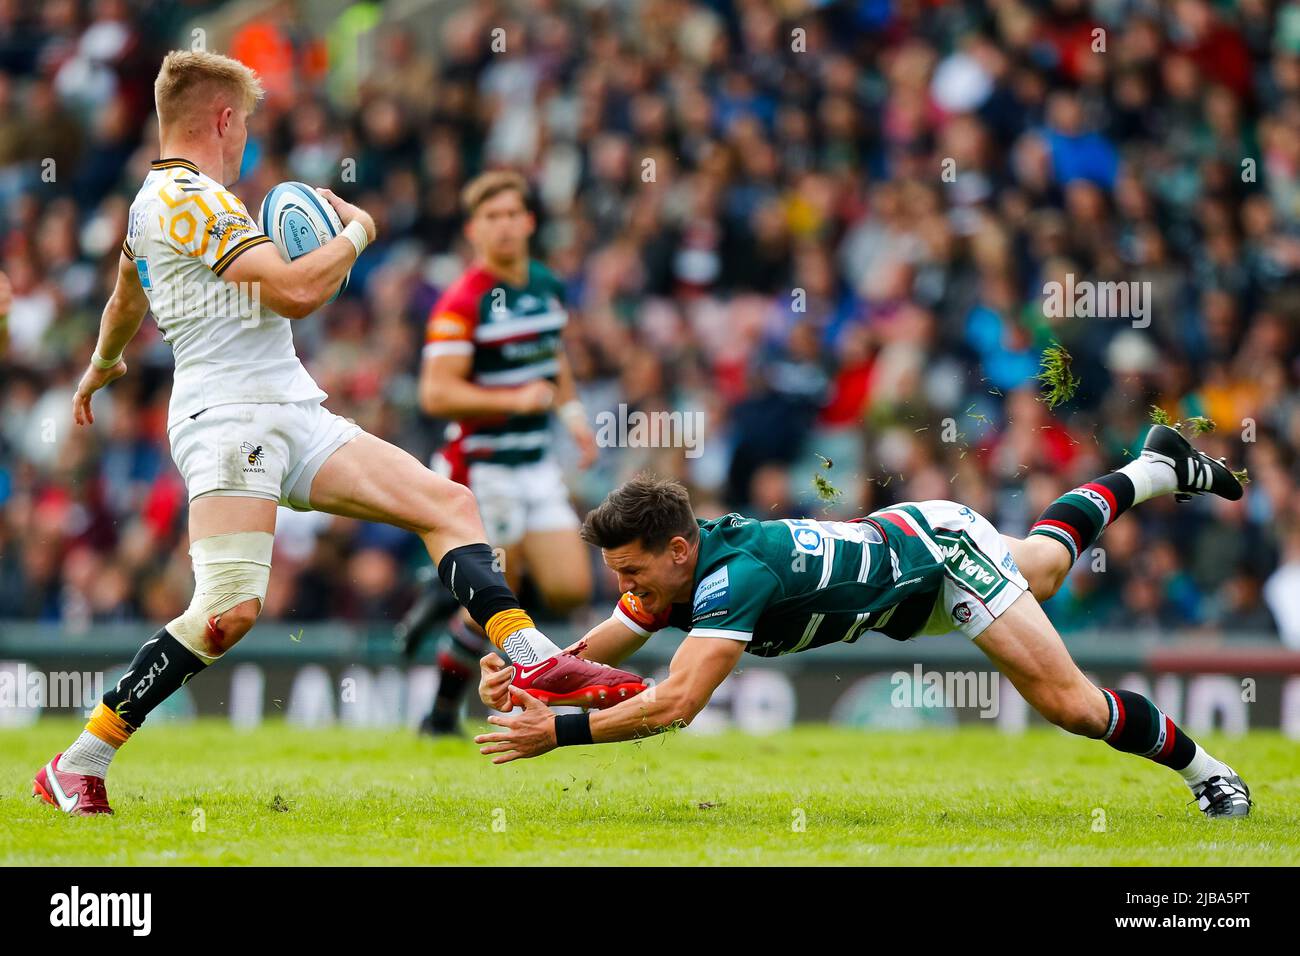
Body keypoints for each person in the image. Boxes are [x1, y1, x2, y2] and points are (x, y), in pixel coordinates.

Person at [33, 50, 643, 817]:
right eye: (245, 123)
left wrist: (103, 362)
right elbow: (295, 292)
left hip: (290, 409)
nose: (246, 138)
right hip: (227, 419)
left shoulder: (155, 206)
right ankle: (80, 758)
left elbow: (127, 289)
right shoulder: (193, 200)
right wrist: (358, 232)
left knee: (446, 503)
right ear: (222, 120)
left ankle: (538, 661)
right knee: (229, 609)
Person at [476, 425, 1252, 819]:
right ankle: (1156, 468)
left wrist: (560, 732)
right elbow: (597, 649)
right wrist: (531, 674)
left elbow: (676, 704)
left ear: (678, 551)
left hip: (937, 560)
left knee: (1073, 707)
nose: (625, 588)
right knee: (1044, 568)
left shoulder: (733, 579)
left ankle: (1211, 775)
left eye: (632, 571)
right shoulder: (675, 569)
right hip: (903, 560)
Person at [397, 170, 600, 736]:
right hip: (482, 468)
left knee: (569, 586)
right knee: (496, 600)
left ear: (530, 222)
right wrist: (512, 398)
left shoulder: (546, 285)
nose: (505, 226)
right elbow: (435, 392)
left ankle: (442, 595)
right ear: (473, 230)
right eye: (492, 218)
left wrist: (574, 417)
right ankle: (439, 714)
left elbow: (552, 354)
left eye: (513, 214)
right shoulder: (462, 300)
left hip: (535, 465)